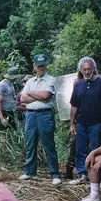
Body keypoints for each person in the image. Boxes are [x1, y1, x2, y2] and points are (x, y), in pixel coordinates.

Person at [68, 57, 101, 185]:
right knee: (80, 150)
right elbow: (74, 106)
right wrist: (72, 124)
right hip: (81, 123)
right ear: (81, 70)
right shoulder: (78, 84)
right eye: (84, 70)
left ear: (93, 69)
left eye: (89, 69)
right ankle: (82, 175)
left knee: (97, 149)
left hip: (97, 123)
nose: (87, 72)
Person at [19, 53, 61, 185]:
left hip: (45, 114)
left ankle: (55, 174)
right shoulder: (30, 81)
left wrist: (30, 93)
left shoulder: (51, 80)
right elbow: (22, 98)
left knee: (49, 144)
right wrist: (38, 95)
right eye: (39, 66)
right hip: (30, 115)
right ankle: (29, 171)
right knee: (30, 144)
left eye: (44, 65)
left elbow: (47, 95)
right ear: (34, 66)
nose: (42, 68)